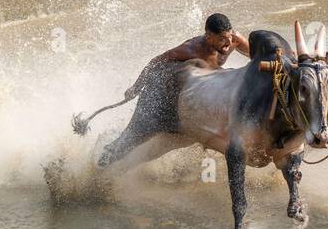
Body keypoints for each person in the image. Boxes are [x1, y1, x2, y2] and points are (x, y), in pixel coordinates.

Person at [98, 13, 251, 167]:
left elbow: (256, 56)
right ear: (209, 37)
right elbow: (155, 62)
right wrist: (136, 88)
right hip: (161, 95)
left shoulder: (234, 40)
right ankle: (99, 163)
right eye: (222, 39)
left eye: (229, 36)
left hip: (192, 97)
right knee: (129, 141)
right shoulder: (192, 49)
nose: (228, 43)